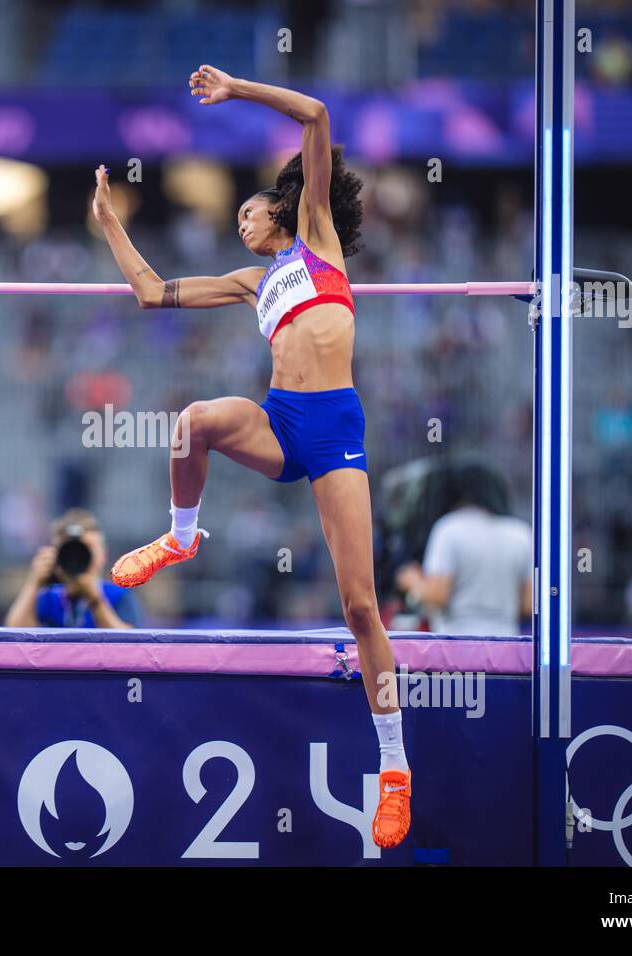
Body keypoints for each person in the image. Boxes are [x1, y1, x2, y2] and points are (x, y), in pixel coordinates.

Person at [90, 65, 409, 848]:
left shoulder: (317, 238)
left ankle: (395, 768)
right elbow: (152, 293)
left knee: (361, 606)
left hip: (334, 427)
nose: (240, 222)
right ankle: (182, 535)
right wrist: (109, 224)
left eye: (247, 211)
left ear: (282, 209)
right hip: (279, 419)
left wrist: (235, 89)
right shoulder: (248, 281)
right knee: (192, 422)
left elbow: (317, 114)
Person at [395, 464, 533, 637]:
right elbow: (529, 604)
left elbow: (438, 595)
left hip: (458, 644)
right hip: (506, 643)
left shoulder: (450, 528)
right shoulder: (521, 533)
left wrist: (412, 581)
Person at [4, 508, 141, 629]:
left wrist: (96, 601)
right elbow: (16, 637)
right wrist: (34, 583)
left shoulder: (118, 595)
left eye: (87, 548)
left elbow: (130, 645)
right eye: (69, 549)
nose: (77, 556)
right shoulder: (49, 598)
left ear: (103, 555)